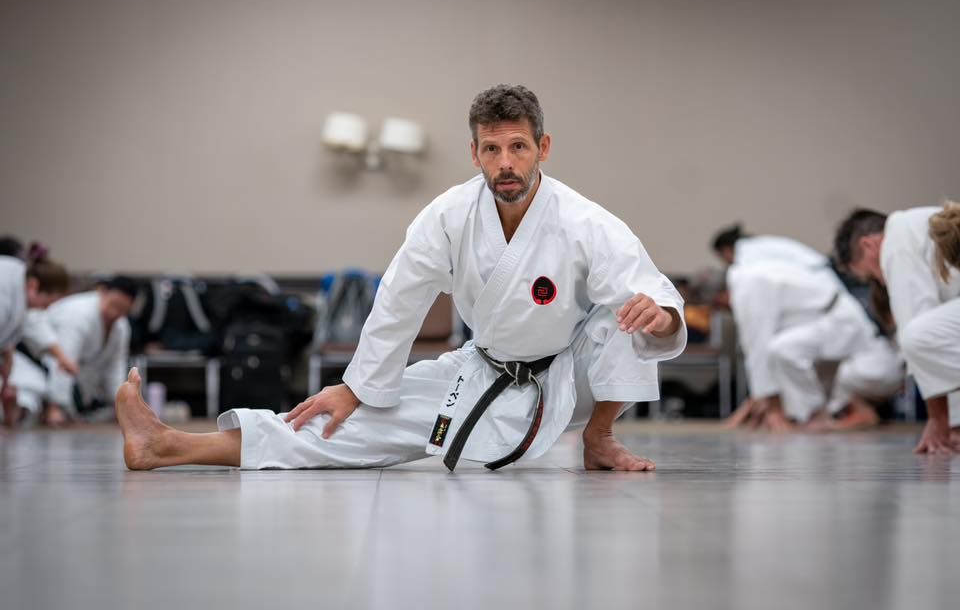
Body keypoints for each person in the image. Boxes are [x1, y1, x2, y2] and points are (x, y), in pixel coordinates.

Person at [116, 84, 687, 471]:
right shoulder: (447, 216)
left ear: (543, 148)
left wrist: (660, 318)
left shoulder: (584, 221)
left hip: (569, 374)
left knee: (632, 311)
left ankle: (600, 438)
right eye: (492, 149)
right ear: (474, 153)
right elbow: (398, 302)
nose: (506, 163)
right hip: (481, 368)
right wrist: (358, 385)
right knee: (350, 424)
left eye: (518, 147)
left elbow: (653, 294)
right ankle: (167, 444)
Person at [712, 228, 900, 431]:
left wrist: (769, 402)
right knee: (791, 359)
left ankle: (815, 415)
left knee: (783, 350)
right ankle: (827, 414)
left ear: (722, 295)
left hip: (841, 326)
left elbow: (756, 343)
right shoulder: (759, 263)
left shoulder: (748, 280)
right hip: (832, 319)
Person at [834, 202, 960, 454]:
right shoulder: (919, 224)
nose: (880, 282)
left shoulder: (897, 238)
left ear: (868, 245)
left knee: (916, 335)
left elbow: (918, 332)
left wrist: (940, 422)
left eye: (871, 277)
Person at [10, 276, 137, 425]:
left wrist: (119, 406)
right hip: (34, 364)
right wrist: (55, 406)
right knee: (29, 400)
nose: (115, 313)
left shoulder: (121, 326)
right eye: (114, 305)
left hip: (76, 380)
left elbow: (115, 367)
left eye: (122, 310)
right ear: (102, 292)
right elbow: (63, 359)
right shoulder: (78, 314)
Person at [0, 251, 71, 426]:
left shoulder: (18, 292)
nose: (44, 309)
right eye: (46, 303)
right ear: (33, 285)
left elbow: (7, 347)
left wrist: (7, 384)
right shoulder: (6, 290)